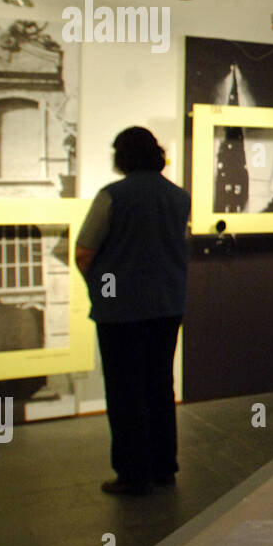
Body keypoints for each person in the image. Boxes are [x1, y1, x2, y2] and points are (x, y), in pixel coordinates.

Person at [75, 127, 190, 496]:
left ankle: (133, 473)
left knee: (125, 392)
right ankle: (162, 466)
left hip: (120, 311)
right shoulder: (178, 197)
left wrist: (101, 284)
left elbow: (84, 252)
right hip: (166, 306)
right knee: (159, 386)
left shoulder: (112, 196)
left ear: (122, 156)